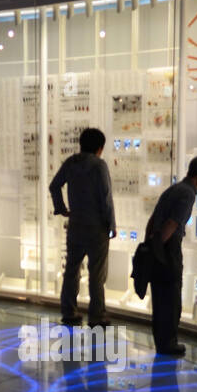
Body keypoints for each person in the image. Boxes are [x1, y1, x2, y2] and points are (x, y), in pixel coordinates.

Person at [145, 154, 197, 357]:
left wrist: (149, 244)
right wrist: (160, 247)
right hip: (168, 249)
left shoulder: (174, 189)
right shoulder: (188, 194)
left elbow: (153, 219)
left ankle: (161, 341)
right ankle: (168, 343)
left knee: (160, 299)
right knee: (171, 298)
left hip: (157, 245)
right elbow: (173, 224)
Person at [49, 126, 116, 327]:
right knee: (97, 273)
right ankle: (97, 316)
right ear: (99, 147)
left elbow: (54, 186)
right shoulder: (99, 165)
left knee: (72, 270)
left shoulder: (71, 162)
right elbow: (106, 197)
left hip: (76, 224)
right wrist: (111, 224)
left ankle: (69, 311)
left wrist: (61, 208)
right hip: (97, 227)